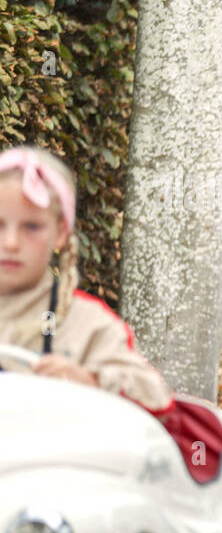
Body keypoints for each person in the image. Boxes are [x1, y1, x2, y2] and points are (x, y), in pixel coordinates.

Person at [0, 146, 171, 410]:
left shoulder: (88, 325)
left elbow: (156, 400)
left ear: (60, 232)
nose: (11, 243)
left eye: (31, 227)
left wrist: (90, 382)